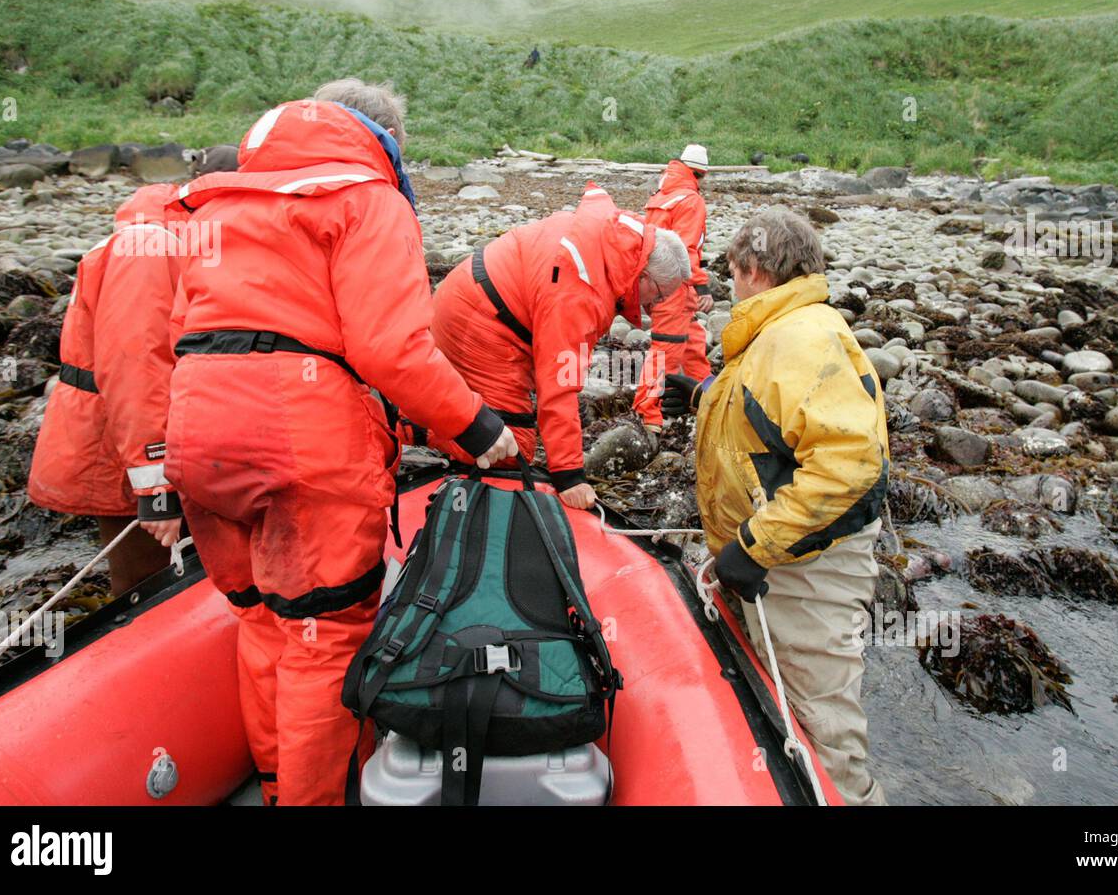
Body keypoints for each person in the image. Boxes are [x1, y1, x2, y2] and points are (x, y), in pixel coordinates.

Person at [161, 81, 516, 806]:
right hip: (299, 439)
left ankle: (274, 785)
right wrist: (479, 427)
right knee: (321, 639)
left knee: (261, 621)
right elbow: (393, 350)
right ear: (388, 143)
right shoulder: (368, 199)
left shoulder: (220, 203)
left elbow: (175, 336)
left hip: (197, 430)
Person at [662, 207, 890, 805]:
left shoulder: (802, 338)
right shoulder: (779, 329)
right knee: (772, 697)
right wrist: (704, 396)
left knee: (822, 723)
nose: (730, 285)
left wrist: (755, 546)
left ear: (755, 271)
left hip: (807, 567)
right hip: (771, 557)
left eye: (733, 272)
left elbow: (850, 463)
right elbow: (770, 419)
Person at [425, 182, 690, 508]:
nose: (653, 308)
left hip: (483, 307)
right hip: (478, 324)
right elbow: (559, 383)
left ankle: (432, 413)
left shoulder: (612, 244)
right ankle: (417, 427)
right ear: (644, 276)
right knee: (509, 449)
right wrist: (569, 476)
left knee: (506, 431)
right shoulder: (583, 288)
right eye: (659, 296)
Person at [28, 184, 186, 596]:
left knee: (154, 581)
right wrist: (157, 489)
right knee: (146, 588)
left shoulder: (151, 242)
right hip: (120, 451)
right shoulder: (149, 249)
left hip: (125, 443)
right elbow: (137, 370)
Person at [631, 144, 714, 444]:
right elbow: (687, 248)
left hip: (651, 280)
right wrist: (701, 285)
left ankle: (706, 394)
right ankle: (647, 414)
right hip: (674, 284)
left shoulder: (660, 196)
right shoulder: (691, 200)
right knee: (666, 349)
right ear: (701, 174)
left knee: (691, 339)